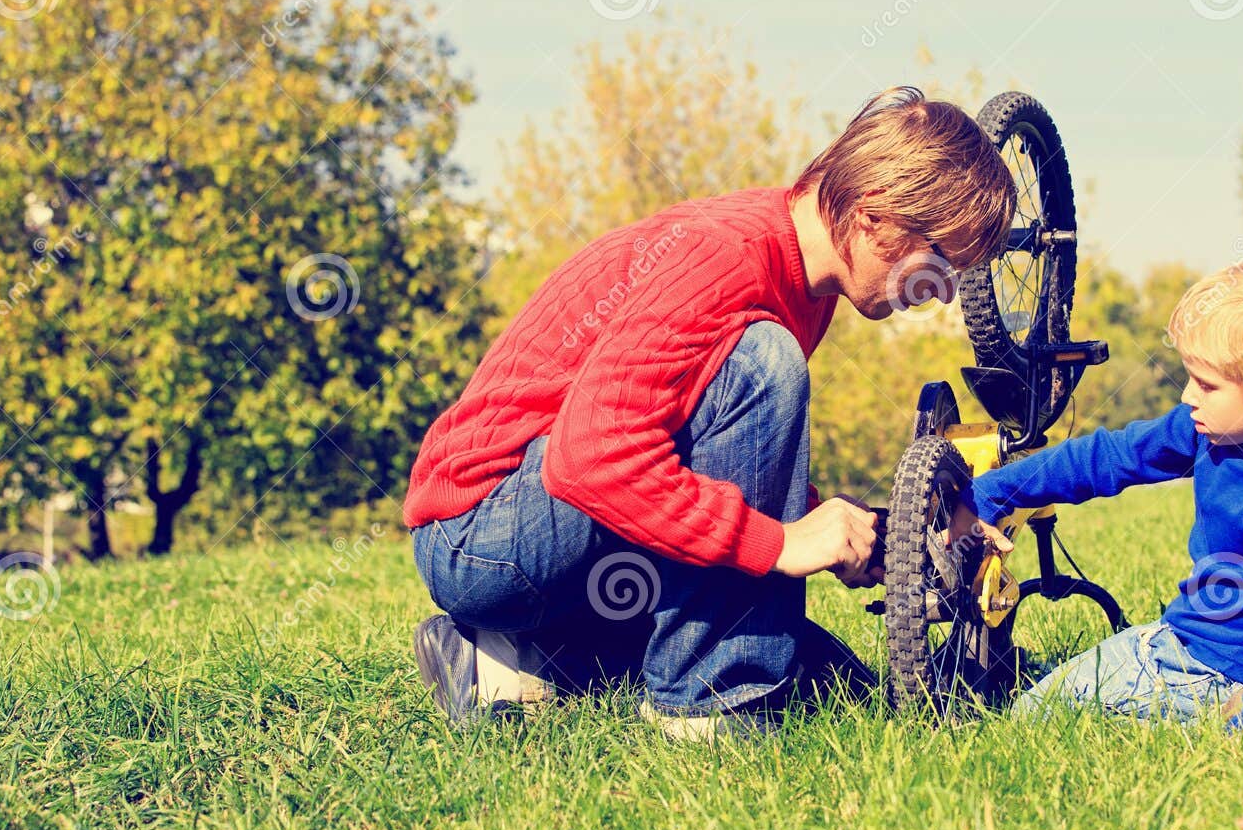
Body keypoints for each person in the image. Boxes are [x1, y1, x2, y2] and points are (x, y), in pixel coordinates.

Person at [404, 87, 1016, 740]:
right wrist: (781, 541)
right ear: (875, 217)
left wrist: (846, 531)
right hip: (482, 531)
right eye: (943, 261)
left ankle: (510, 660)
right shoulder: (725, 257)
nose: (944, 292)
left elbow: (714, 443)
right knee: (762, 361)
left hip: (547, 525)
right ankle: (709, 709)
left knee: (829, 680)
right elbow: (590, 456)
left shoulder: (805, 283)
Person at [950, 254, 1243, 730]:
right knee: (1049, 696)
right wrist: (995, 490)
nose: (1188, 396)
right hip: (1181, 640)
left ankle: (1236, 702)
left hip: (1216, 670)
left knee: (1029, 719)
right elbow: (1106, 458)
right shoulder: (1213, 431)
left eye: (1207, 384)